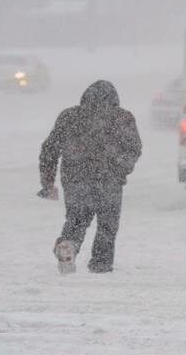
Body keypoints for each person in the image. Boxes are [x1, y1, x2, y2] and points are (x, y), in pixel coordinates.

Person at [38, 80, 142, 275]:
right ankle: (101, 265)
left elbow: (49, 149)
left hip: (75, 178)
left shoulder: (69, 117)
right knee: (107, 225)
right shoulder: (122, 118)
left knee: (76, 219)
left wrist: (48, 181)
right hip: (108, 179)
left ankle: (69, 244)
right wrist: (120, 168)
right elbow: (134, 148)